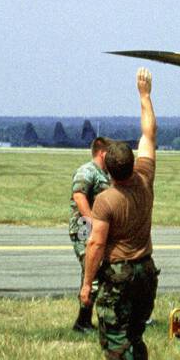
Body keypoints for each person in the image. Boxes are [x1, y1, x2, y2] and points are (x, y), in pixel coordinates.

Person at [81, 68, 159, 360]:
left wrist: (86, 284)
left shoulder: (107, 201)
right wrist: (144, 95)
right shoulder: (145, 179)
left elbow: (96, 245)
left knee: (115, 336)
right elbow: (149, 133)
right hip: (146, 272)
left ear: (108, 172)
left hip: (121, 275)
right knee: (137, 334)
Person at [69, 137, 111, 334]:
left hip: (96, 227)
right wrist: (92, 221)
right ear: (102, 153)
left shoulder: (105, 174)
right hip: (84, 227)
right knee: (92, 272)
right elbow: (79, 196)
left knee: (93, 271)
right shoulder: (87, 171)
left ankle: (86, 321)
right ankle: (83, 322)